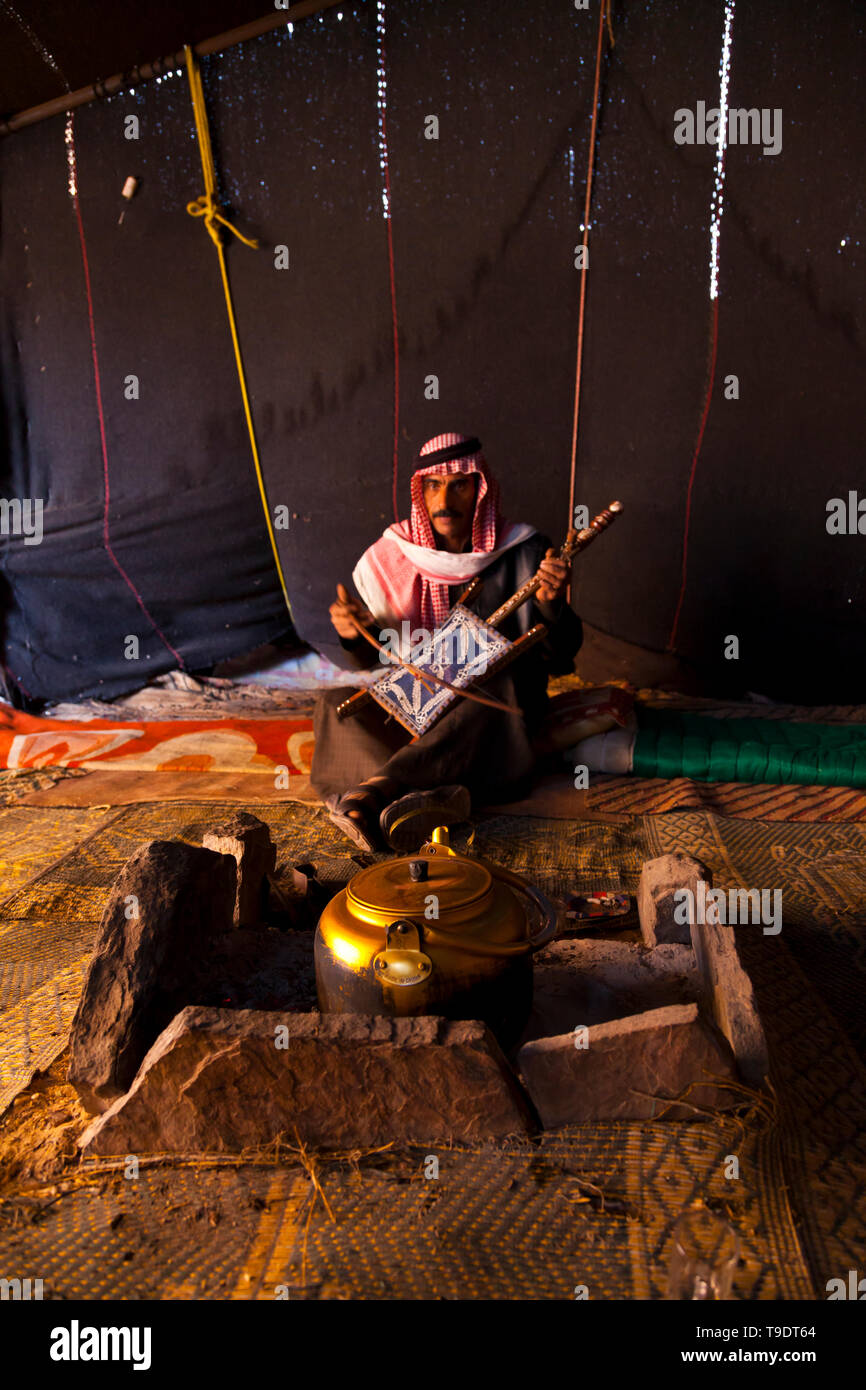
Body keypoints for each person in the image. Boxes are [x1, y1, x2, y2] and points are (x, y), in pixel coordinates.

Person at [311, 431, 583, 850]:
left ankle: (375, 794)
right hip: (415, 706)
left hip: (486, 713)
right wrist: (353, 633)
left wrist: (549, 606)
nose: (445, 500)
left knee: (494, 679)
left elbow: (560, 655)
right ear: (420, 492)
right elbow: (374, 661)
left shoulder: (525, 551)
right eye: (433, 486)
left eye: (459, 485)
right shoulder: (391, 556)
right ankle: (425, 796)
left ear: (480, 488)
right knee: (338, 701)